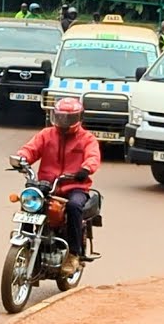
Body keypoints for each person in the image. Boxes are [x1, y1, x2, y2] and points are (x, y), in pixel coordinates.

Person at [15, 98, 100, 276]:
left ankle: (74, 254)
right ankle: (26, 239)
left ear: (79, 118)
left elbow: (93, 156)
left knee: (74, 206)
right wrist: (21, 158)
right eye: (60, 117)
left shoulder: (87, 139)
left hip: (74, 186)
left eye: (69, 118)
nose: (64, 122)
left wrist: (86, 168)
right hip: (46, 184)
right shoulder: (47, 134)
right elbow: (31, 149)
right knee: (29, 202)